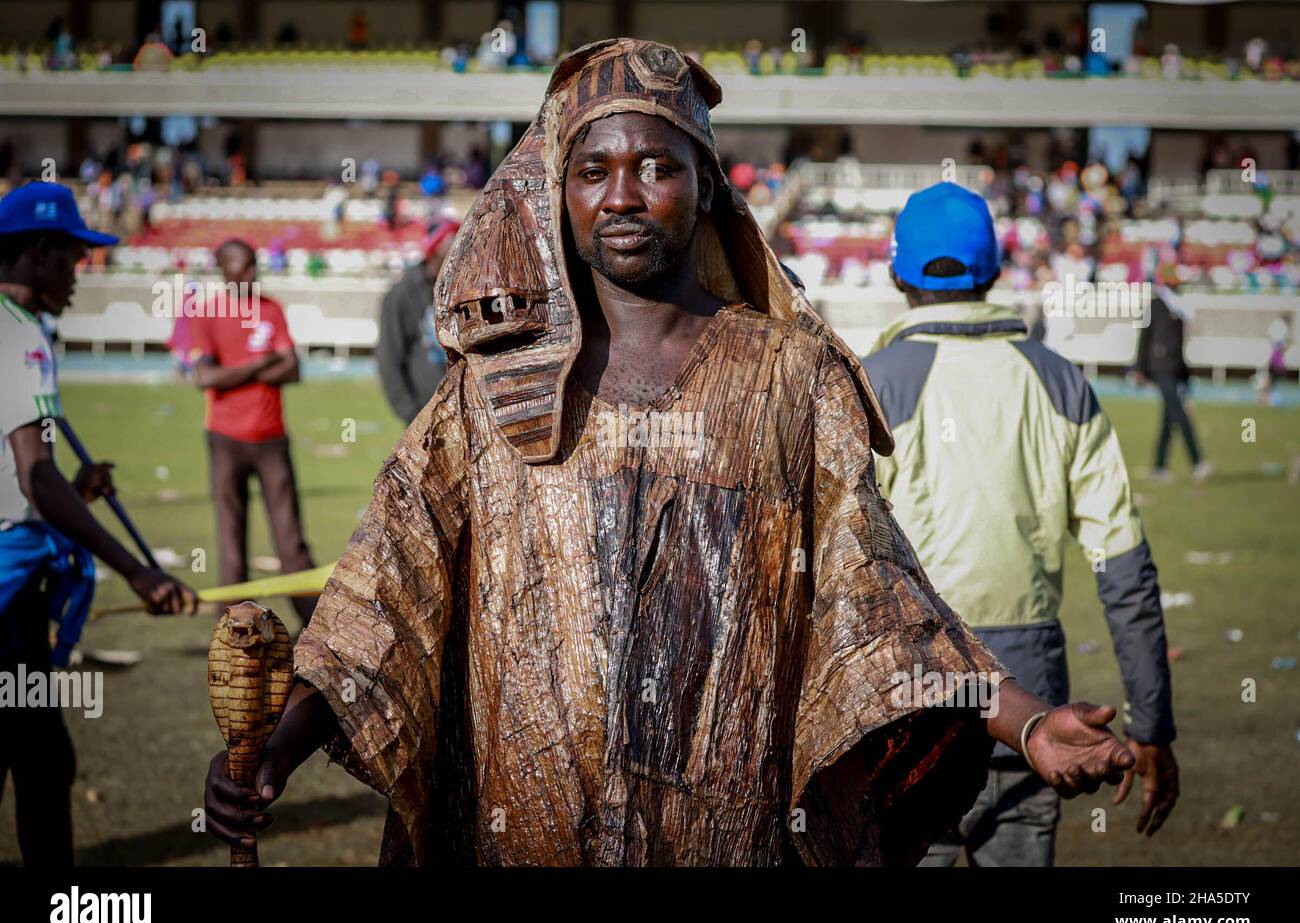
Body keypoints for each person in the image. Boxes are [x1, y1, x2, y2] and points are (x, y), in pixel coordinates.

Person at [204, 39, 1134, 867]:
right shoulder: (488, 393)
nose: (621, 193)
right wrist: (273, 756)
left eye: (657, 165)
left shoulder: (792, 378)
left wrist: (1030, 723)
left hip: (726, 838)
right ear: (556, 194)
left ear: (706, 183)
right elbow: (382, 595)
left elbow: (882, 605)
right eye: (592, 169)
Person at [861, 182, 1180, 867]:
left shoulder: (868, 385)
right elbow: (1123, 567)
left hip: (905, 711)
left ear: (896, 273)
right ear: (997, 272)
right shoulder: (1061, 381)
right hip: (1035, 701)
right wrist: (1152, 724)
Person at [0, 182, 197, 866]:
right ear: (37, 252)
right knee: (40, 760)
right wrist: (138, 570)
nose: (81, 274)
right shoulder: (19, 333)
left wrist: (72, 489)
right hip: (8, 586)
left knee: (36, 751)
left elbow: (28, 476)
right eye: (73, 258)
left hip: (15, 567)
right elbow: (36, 476)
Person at [192, 239, 317, 626]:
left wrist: (235, 373)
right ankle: (233, 634)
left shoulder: (271, 309)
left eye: (254, 265)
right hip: (225, 440)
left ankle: (317, 627)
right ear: (224, 270)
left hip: (271, 439)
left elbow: (293, 369)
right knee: (232, 546)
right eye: (244, 266)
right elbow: (204, 376)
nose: (252, 273)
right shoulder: (206, 314)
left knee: (290, 542)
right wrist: (261, 365)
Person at [375, 220, 458, 423]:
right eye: (453, 248)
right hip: (425, 413)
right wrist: (412, 415)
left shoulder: (462, 290)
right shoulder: (401, 295)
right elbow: (389, 359)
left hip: (466, 411)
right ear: (435, 250)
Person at [1136, 279, 1212, 481]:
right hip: (1160, 368)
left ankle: (1159, 467)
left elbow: (1180, 345)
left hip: (1175, 368)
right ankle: (1198, 462)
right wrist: (1140, 368)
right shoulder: (1155, 305)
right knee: (1180, 415)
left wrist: (1185, 374)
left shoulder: (1179, 307)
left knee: (1169, 418)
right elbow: (1145, 337)